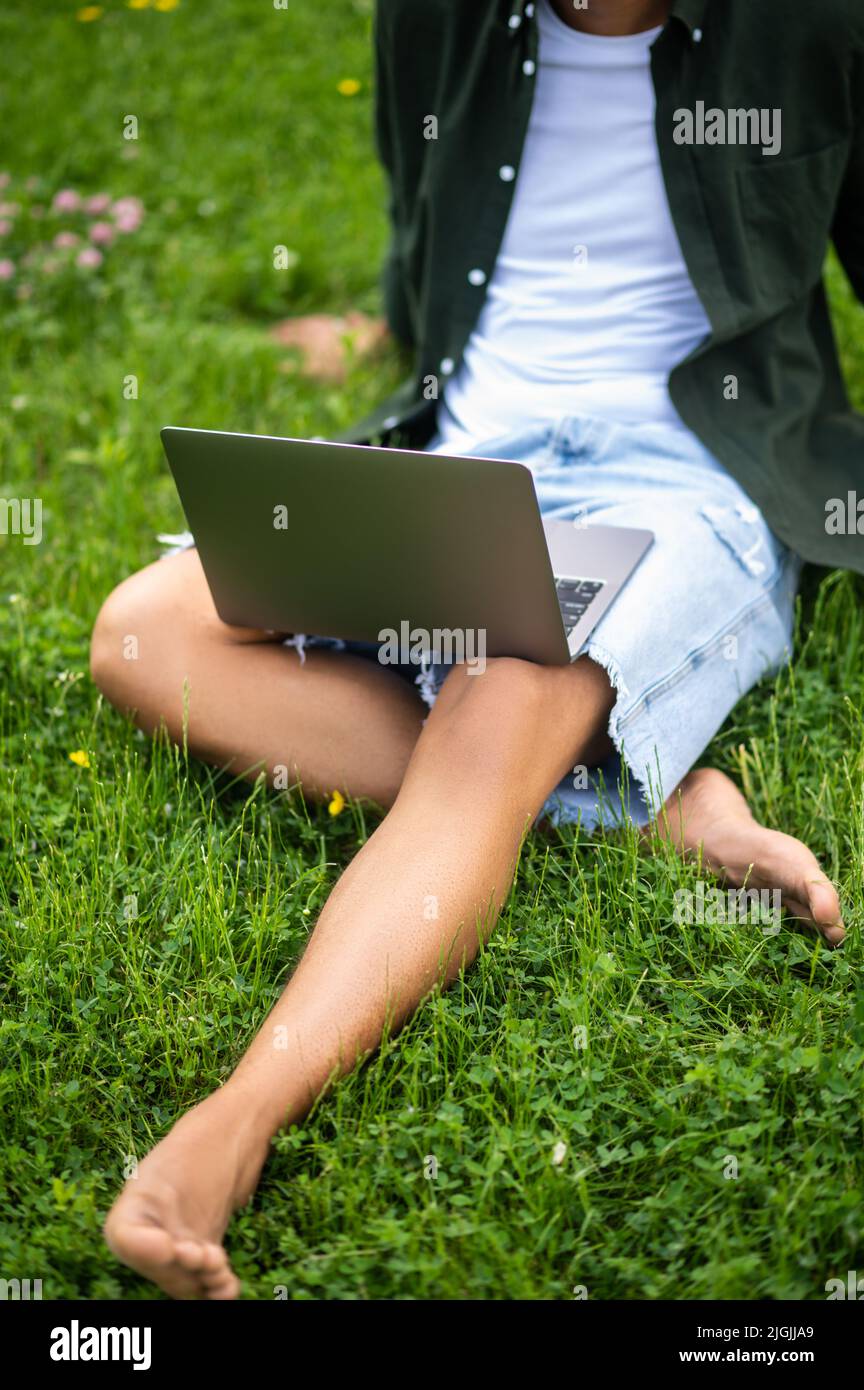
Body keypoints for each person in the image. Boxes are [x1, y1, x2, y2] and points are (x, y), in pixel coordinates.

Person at [90, 0, 861, 1298]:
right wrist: (394, 333)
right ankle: (648, 799)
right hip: (470, 458)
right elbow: (425, 208)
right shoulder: (436, 11)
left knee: (503, 681)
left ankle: (236, 1119)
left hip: (686, 487)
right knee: (142, 634)